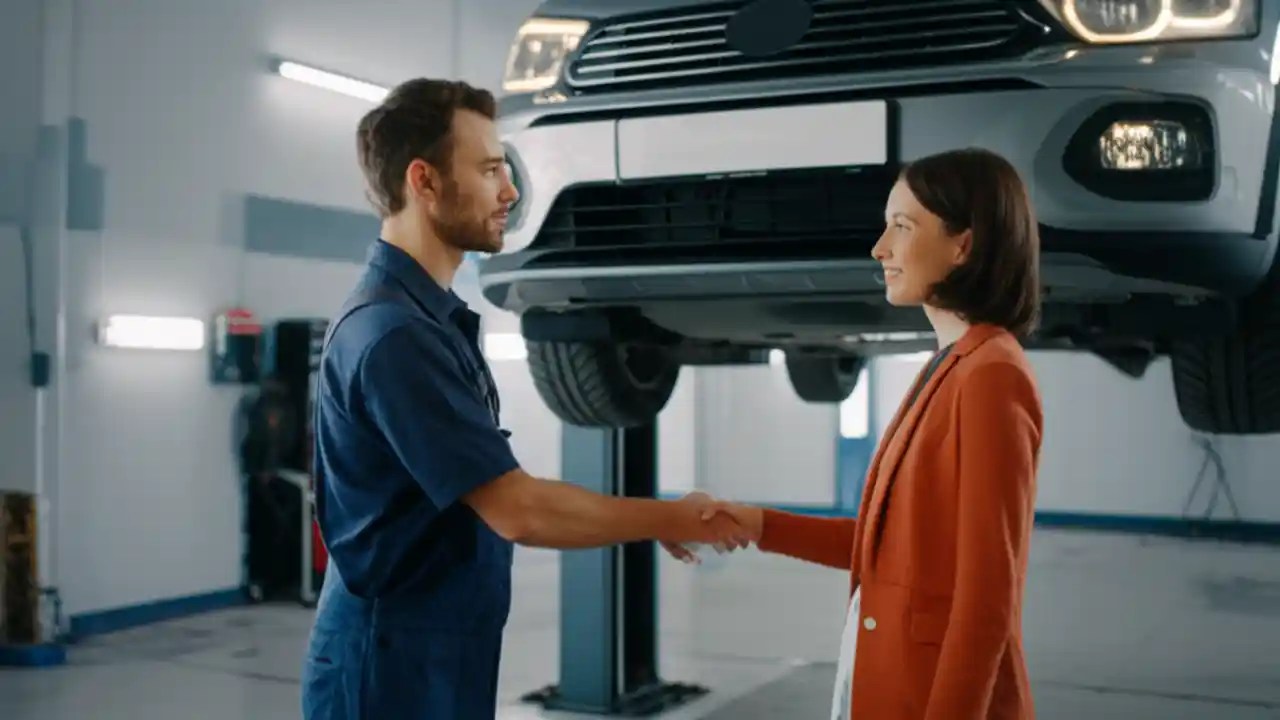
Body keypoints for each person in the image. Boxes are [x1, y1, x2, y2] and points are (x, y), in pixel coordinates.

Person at [301, 78, 751, 720]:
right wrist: (669, 518)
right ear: (424, 181)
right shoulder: (395, 335)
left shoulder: (421, 319)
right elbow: (518, 509)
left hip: (430, 649)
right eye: (490, 170)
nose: (511, 191)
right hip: (389, 665)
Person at [671, 148, 1044, 719]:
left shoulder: (992, 376)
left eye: (902, 226)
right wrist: (758, 523)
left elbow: (987, 599)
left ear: (962, 245)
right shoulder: (951, 366)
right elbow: (890, 551)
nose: (880, 248)